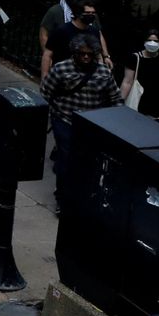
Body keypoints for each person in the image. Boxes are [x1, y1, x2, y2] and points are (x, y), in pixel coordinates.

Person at [42, 36, 124, 213]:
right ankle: (62, 199)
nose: (86, 57)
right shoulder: (61, 69)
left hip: (91, 124)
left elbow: (115, 98)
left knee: (88, 162)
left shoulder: (103, 72)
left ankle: (83, 197)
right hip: (65, 119)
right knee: (66, 159)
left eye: (89, 54)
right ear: (75, 53)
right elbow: (46, 91)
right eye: (82, 54)